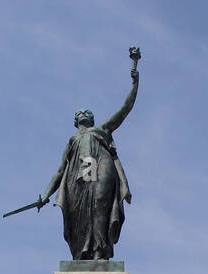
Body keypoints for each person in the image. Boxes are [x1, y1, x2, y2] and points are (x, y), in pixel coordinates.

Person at [38, 58, 138, 260]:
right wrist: (45, 194)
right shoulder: (72, 141)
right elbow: (60, 171)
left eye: (87, 112)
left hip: (101, 168)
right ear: (75, 121)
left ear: (92, 119)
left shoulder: (101, 130)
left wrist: (135, 82)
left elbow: (125, 108)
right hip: (79, 176)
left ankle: (101, 251)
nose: (83, 113)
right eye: (80, 113)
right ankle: (83, 254)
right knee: (79, 214)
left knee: (99, 204)